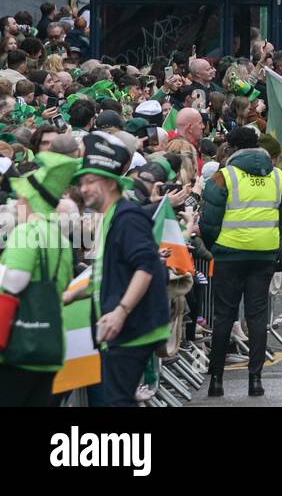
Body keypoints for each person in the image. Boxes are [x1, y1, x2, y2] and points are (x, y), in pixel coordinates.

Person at [75, 132, 169, 407]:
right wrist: (72, 295)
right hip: (126, 326)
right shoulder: (112, 217)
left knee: (116, 401)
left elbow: (146, 265)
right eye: (82, 183)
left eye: (90, 182)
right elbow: (111, 273)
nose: (83, 189)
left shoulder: (127, 217)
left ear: (109, 183)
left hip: (133, 326)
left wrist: (121, 311)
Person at [199, 125, 282, 398]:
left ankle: (216, 380)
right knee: (258, 315)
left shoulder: (223, 176)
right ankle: (255, 379)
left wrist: (216, 245)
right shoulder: (277, 176)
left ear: (232, 148)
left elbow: (209, 220)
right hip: (264, 252)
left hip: (229, 252)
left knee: (224, 315)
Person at [0, 151, 78, 406]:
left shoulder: (27, 231)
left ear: (31, 200)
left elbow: (14, 283)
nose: (16, 203)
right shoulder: (60, 238)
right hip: (50, 346)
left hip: (18, 347)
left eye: (21, 198)